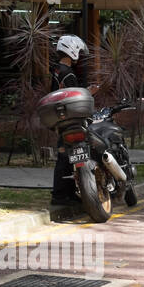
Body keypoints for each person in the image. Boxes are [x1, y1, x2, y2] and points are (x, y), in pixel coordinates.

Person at [49, 34, 89, 209]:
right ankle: (62, 194)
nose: (79, 55)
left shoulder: (56, 70)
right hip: (71, 120)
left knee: (64, 156)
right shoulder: (68, 74)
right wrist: (90, 92)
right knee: (72, 156)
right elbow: (75, 97)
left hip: (60, 118)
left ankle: (64, 193)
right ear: (71, 51)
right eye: (78, 51)